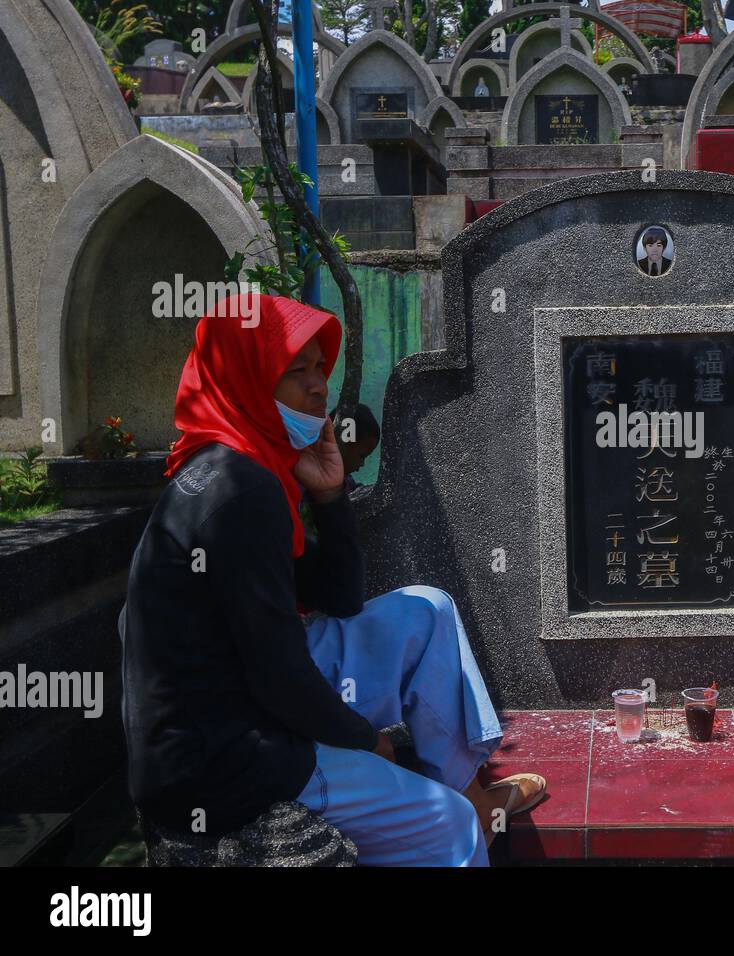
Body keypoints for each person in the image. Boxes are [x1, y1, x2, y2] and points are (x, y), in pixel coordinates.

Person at [119, 293, 544, 866]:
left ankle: (472, 788)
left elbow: (339, 598)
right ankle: (469, 816)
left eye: (319, 367)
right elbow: (279, 677)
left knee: (427, 610)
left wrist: (329, 495)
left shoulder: (245, 466)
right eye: (296, 372)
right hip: (226, 751)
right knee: (451, 829)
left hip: (242, 696)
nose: (319, 386)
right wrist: (370, 741)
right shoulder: (238, 492)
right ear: (244, 381)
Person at [329, 402, 380, 492]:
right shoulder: (310, 484)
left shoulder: (347, 482)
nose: (362, 464)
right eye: (362, 456)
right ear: (342, 443)